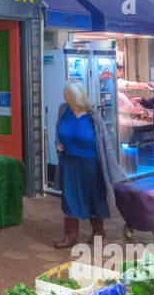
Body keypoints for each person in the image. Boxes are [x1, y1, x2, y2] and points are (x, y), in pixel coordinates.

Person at [53, 79, 125, 248]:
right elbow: (58, 130)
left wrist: (112, 166)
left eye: (66, 92)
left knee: (94, 197)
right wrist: (57, 142)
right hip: (69, 161)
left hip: (90, 163)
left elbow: (104, 140)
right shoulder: (63, 109)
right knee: (69, 196)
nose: (63, 94)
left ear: (75, 96)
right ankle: (71, 236)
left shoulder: (92, 114)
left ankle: (98, 232)